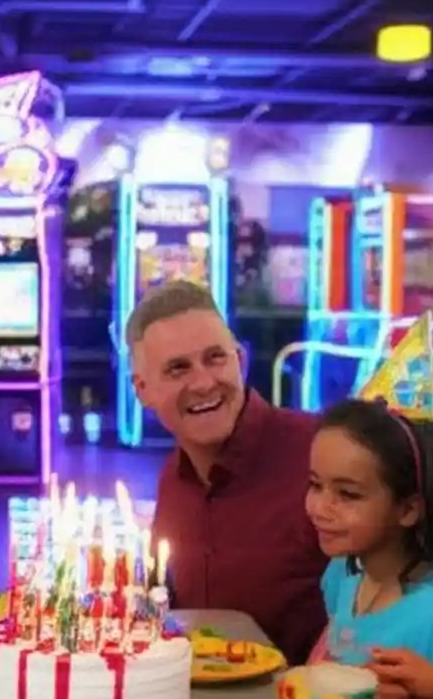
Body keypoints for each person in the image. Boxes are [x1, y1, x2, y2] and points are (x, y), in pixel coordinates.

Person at [131, 280, 327, 664]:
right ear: (143, 390)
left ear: (241, 359)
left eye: (215, 358)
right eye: (178, 369)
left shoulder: (322, 455)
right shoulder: (173, 479)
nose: (203, 382)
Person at [304, 399, 433, 699]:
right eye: (315, 485)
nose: (319, 508)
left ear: (407, 509)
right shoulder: (343, 572)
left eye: (347, 494)